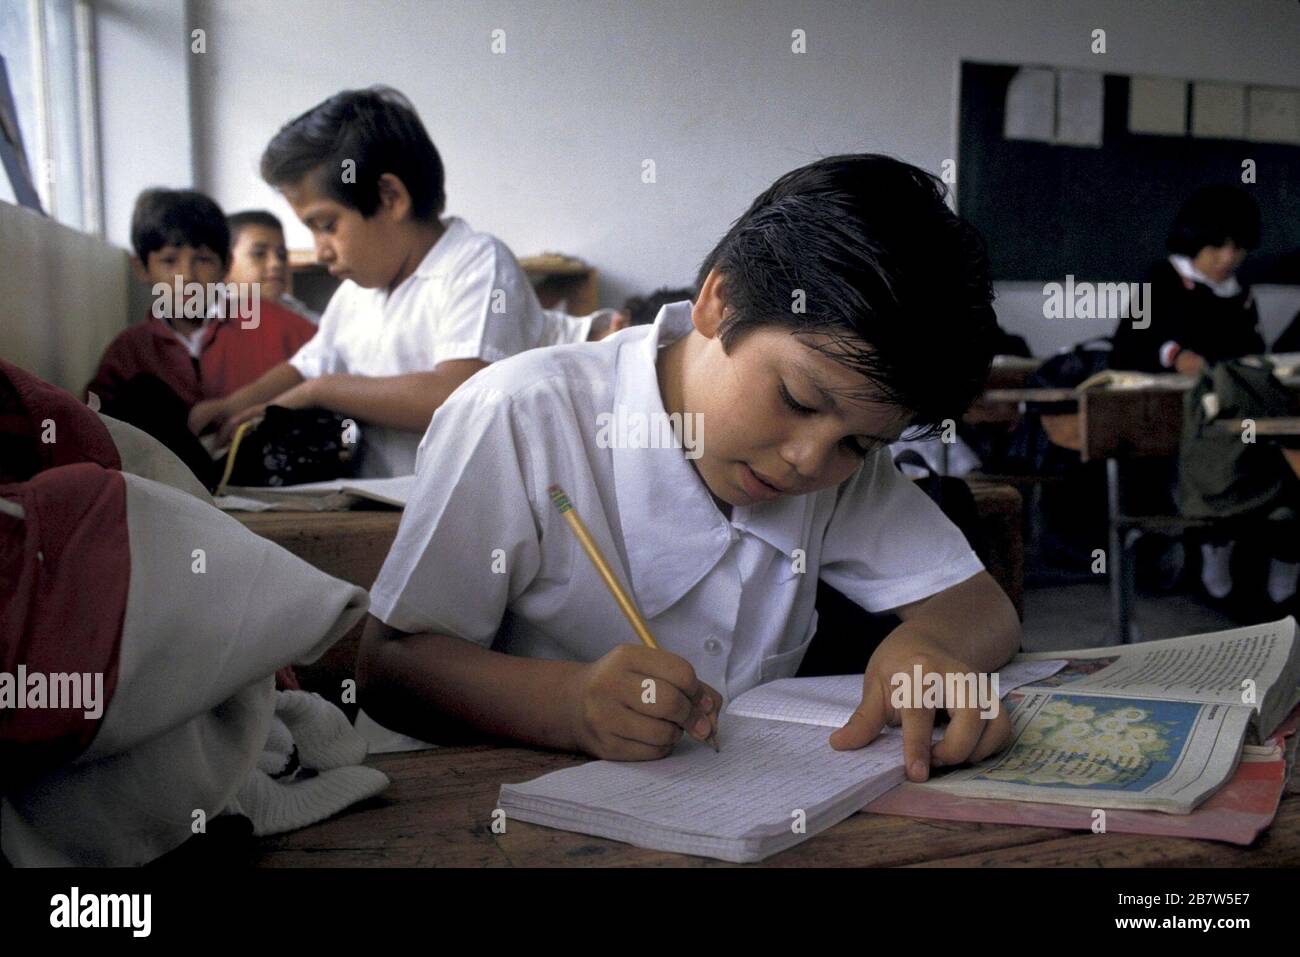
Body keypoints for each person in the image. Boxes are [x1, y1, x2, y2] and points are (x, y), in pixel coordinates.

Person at [355, 154, 1021, 781]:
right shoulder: (523, 415)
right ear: (718, 302)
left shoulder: (841, 450)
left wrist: (929, 648)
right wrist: (567, 702)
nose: (809, 460)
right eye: (797, 399)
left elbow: (979, 605)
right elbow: (389, 666)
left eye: (861, 445)